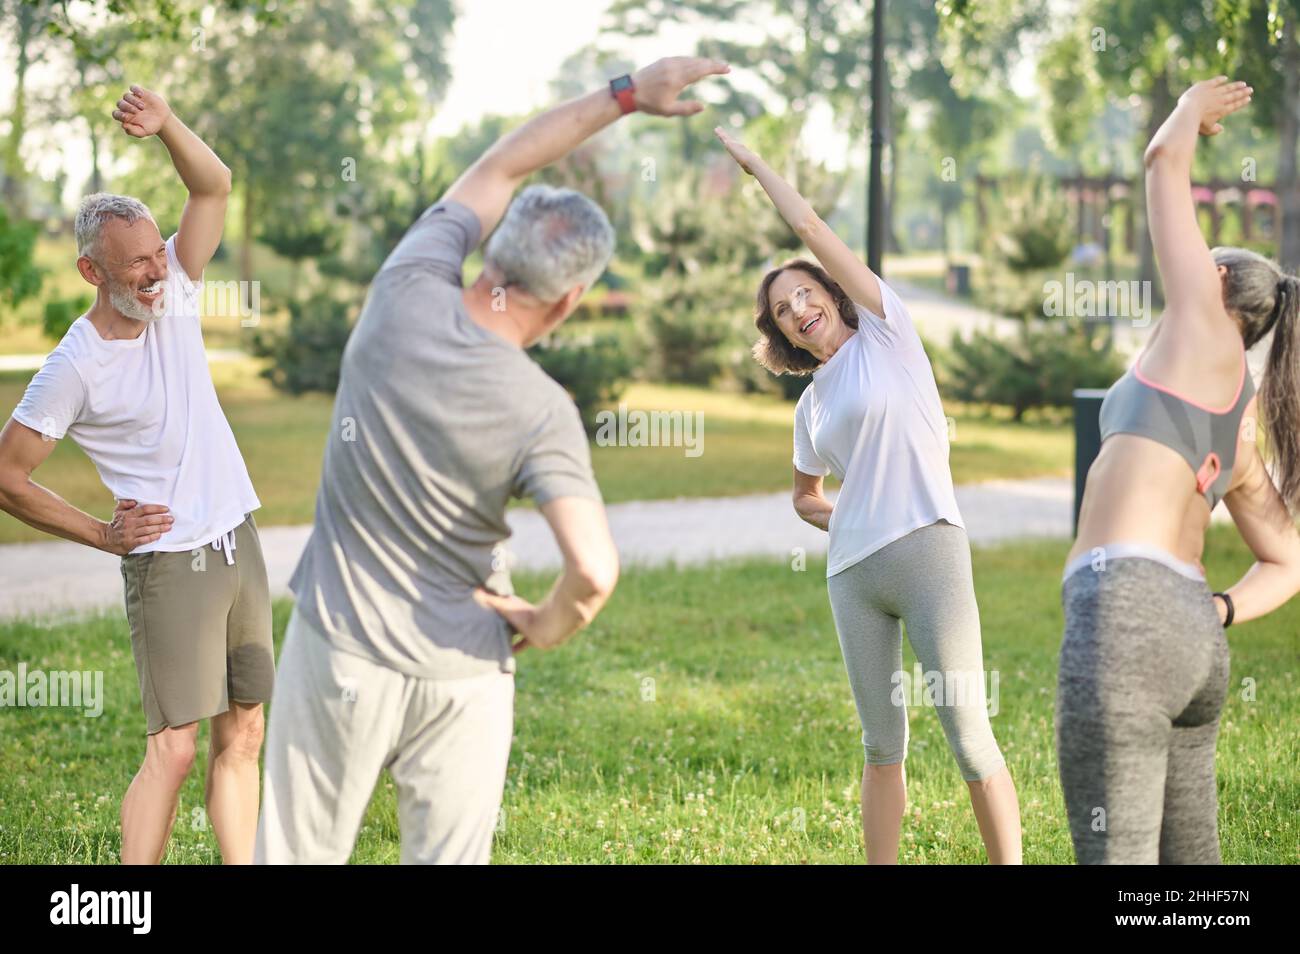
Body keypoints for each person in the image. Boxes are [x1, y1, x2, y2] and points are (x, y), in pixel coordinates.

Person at [255, 56, 731, 865]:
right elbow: (595, 570)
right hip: (465, 673)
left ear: (492, 252)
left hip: (341, 649)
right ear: (571, 299)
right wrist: (541, 625)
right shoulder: (542, 409)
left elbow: (507, 161)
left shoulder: (404, 288)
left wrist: (625, 95)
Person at [714, 127, 1022, 864]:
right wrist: (842, 515)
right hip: (853, 574)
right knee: (881, 745)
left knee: (968, 734)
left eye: (805, 293)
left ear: (833, 294)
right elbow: (803, 494)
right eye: (784, 310)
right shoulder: (809, 404)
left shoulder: (888, 332)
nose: (797, 310)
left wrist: (759, 167)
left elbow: (810, 227)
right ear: (782, 332)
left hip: (928, 550)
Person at [0, 86, 270, 864]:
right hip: (167, 560)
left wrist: (167, 127)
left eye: (158, 254)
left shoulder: (178, 284)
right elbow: (9, 475)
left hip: (235, 535)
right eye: (136, 264)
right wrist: (100, 533)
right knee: (175, 749)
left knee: (244, 729)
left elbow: (213, 186)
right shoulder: (73, 365)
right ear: (92, 269)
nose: (156, 273)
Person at [1058, 77, 1300, 864]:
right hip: (1195, 638)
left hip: (1122, 619)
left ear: (1216, 282)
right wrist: (1219, 611)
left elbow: (1163, 159)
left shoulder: (1201, 323)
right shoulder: (1239, 420)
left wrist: (1191, 108)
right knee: (1191, 884)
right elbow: (1288, 559)